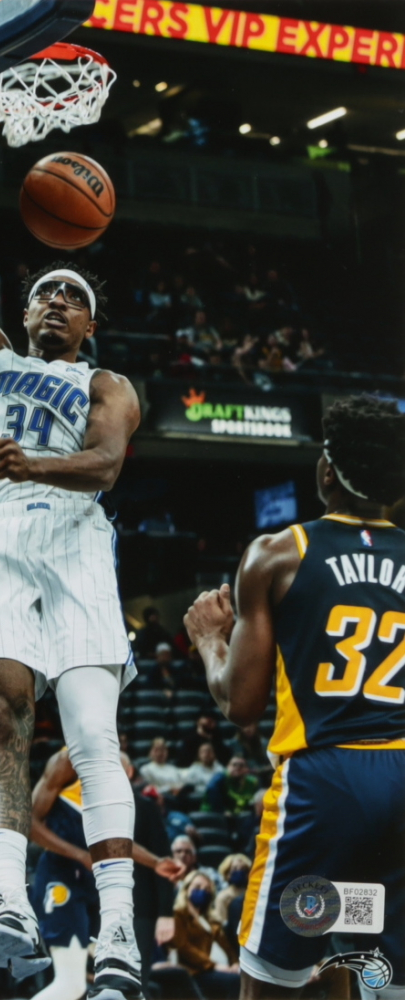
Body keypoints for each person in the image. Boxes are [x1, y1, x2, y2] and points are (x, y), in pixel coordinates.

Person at [0, 117, 142, 997]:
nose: (53, 300)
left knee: (92, 733)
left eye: (70, 295)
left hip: (78, 539)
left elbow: (107, 466)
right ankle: (8, 906)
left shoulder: (107, 384)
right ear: (23, 310)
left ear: (91, 322)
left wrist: (35, 461)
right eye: (42, 290)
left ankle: (118, 931)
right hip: (2, 536)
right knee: (2, 712)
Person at [184, 396, 405, 998]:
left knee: (269, 982)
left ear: (326, 471)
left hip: (324, 784)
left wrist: (209, 640)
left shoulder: (278, 553)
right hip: (402, 780)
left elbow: (242, 705)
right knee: (374, 952)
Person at [29, 749, 184, 1000]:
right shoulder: (67, 762)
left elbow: (118, 840)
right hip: (61, 878)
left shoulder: (115, 792)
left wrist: (155, 863)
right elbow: (29, 824)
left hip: (94, 886)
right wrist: (80, 855)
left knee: (105, 984)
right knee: (70, 985)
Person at [171, 871, 240, 999]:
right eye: (197, 887)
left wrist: (235, 962)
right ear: (186, 890)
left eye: (207, 889)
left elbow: (228, 948)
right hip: (197, 972)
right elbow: (184, 947)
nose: (203, 891)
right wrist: (214, 966)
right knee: (235, 982)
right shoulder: (178, 916)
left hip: (222, 969)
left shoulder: (211, 919)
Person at [212, 854, 251, 927]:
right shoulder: (223, 897)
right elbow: (222, 924)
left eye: (243, 869)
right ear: (227, 874)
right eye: (235, 869)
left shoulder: (253, 894)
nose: (240, 871)